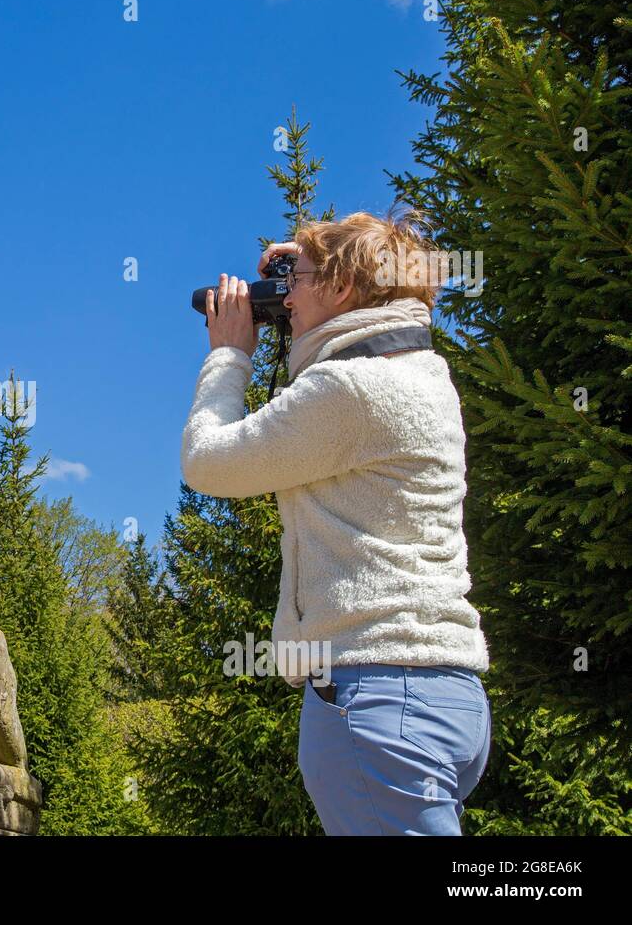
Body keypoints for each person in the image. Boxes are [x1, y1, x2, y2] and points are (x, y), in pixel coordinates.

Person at [179, 209, 492, 835]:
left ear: (345, 289)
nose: (286, 295)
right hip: (441, 694)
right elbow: (361, 292)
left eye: (300, 281)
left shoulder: (349, 389)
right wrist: (319, 261)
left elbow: (208, 463)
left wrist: (230, 356)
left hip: (373, 691)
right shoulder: (420, 373)